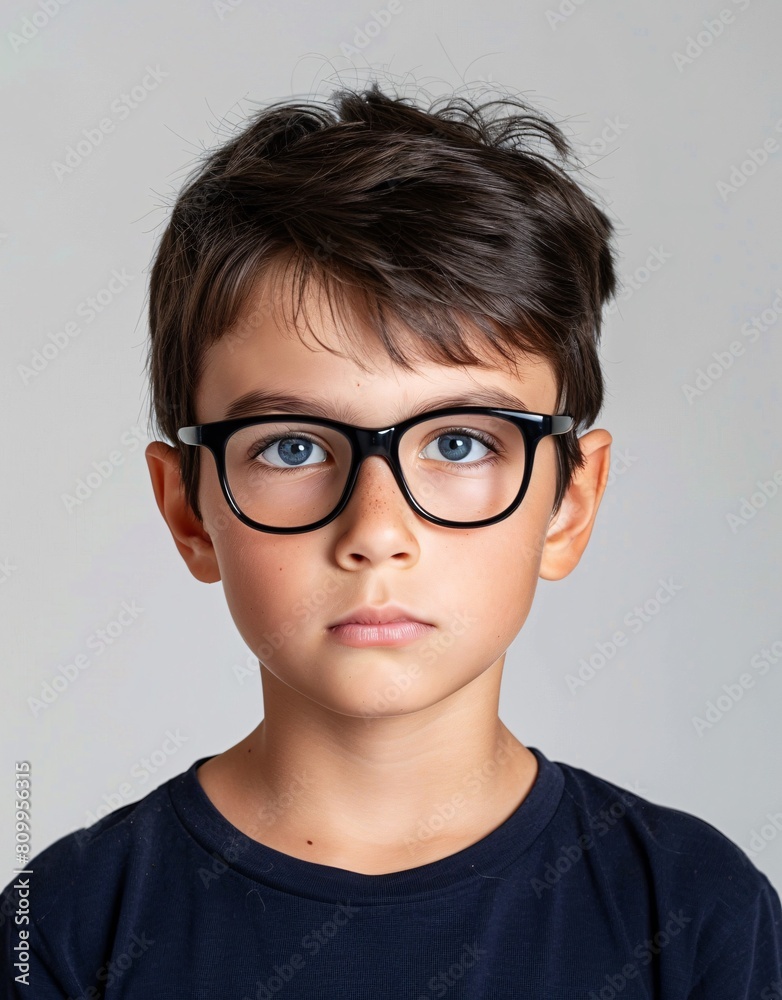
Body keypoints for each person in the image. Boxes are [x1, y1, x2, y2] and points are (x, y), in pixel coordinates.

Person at [3, 80, 780, 998]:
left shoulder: (692, 911)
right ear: (188, 510)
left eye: (460, 443)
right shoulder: (60, 926)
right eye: (292, 446)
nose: (376, 532)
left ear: (569, 502)